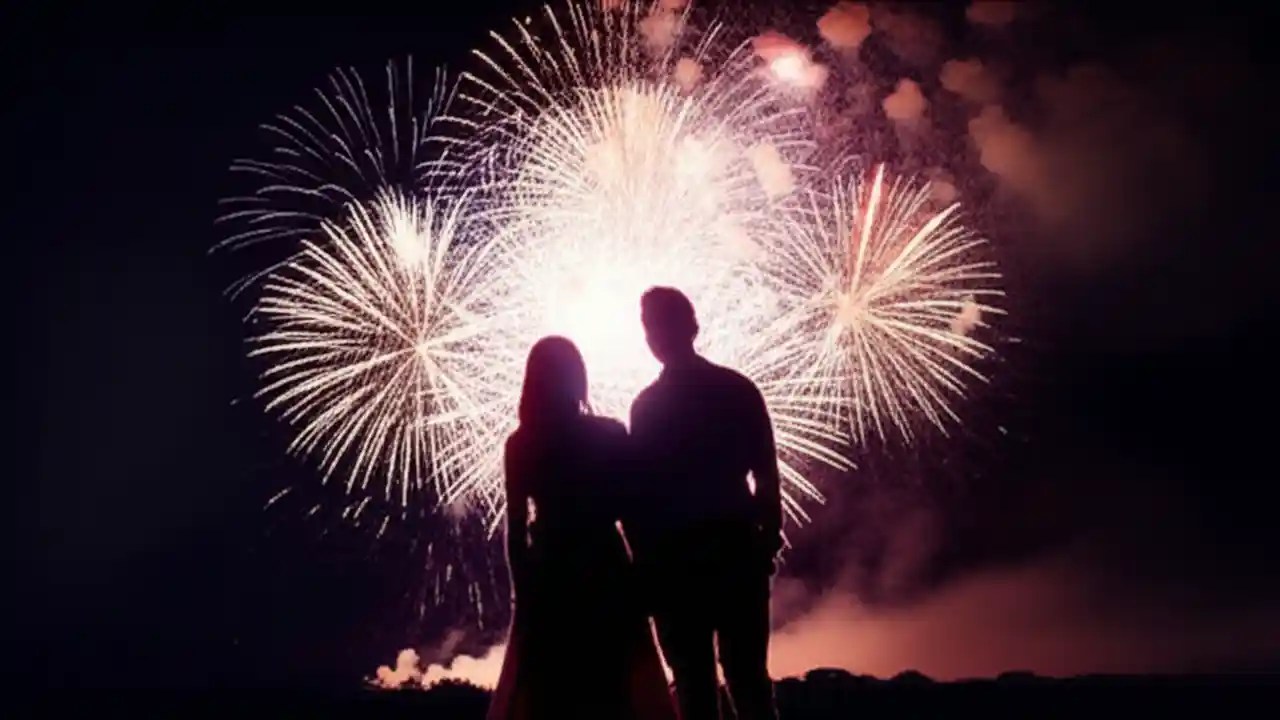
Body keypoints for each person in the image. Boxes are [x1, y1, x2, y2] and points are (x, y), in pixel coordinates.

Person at [488, 336, 675, 720]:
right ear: (578, 378)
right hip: (606, 563)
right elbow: (632, 512)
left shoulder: (520, 444)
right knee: (616, 680)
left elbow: (516, 527)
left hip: (549, 568)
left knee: (549, 685)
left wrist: (523, 589)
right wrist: (643, 573)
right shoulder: (609, 433)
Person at [628, 287, 782, 720]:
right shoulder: (738, 390)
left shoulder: (647, 407)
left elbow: (640, 498)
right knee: (748, 678)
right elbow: (767, 473)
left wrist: (644, 566)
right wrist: (767, 538)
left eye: (654, 326)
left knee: (694, 685)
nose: (653, 336)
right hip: (735, 551)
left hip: (676, 562)